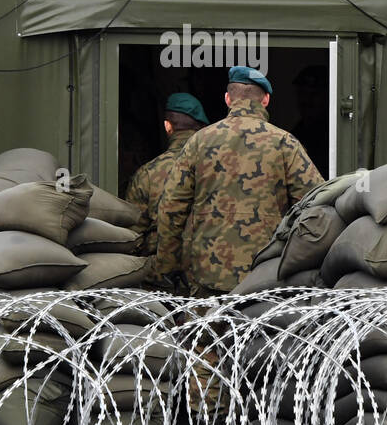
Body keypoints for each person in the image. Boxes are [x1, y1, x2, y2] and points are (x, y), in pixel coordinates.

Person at [154, 66, 322, 296]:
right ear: (265, 100)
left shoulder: (199, 141)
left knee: (210, 333)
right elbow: (315, 204)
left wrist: (168, 267)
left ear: (227, 99)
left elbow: (171, 209)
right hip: (264, 276)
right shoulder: (285, 143)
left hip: (208, 276)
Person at [124, 92, 209, 270]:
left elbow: (132, 235)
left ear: (167, 126)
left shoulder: (147, 173)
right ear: (201, 128)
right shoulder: (217, 167)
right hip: (207, 273)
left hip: (160, 277)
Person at [289, 64, 329, 174]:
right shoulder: (297, 133)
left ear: (327, 96)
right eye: (302, 94)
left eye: (314, 94)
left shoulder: (334, 134)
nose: (307, 101)